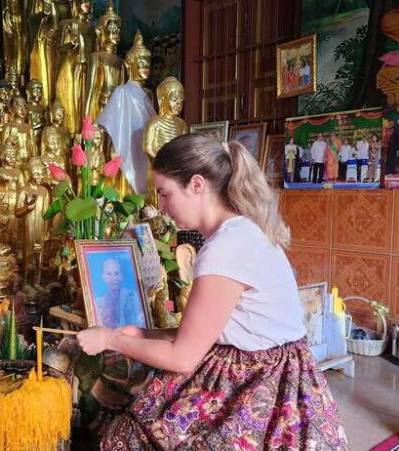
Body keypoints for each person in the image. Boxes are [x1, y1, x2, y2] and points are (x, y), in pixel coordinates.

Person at [77, 134, 348, 449]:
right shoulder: (241, 231)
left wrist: (110, 339)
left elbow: (182, 356)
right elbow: (208, 330)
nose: (161, 207)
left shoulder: (227, 248)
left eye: (165, 194)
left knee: (130, 438)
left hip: (266, 386)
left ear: (196, 185)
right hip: (266, 369)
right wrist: (141, 334)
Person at [94, 258, 145, 328]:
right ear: (103, 277)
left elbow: (141, 322)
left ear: (121, 276)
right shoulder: (98, 303)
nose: (114, 278)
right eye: (109, 274)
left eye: (116, 273)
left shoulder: (132, 297)